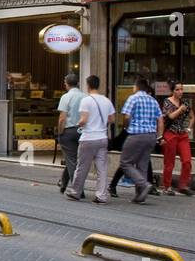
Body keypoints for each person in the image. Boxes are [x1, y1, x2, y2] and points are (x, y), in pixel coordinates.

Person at [66, 76, 116, 204]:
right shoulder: (106, 100)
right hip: (102, 138)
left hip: (88, 138)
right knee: (102, 169)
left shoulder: (86, 100)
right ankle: (102, 196)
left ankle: (76, 192)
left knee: (82, 167)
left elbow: (84, 120)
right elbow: (112, 120)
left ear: (88, 85)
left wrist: (79, 123)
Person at [118, 77, 164, 205]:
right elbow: (160, 120)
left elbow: (126, 116)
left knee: (125, 163)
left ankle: (143, 184)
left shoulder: (133, 98)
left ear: (137, 87)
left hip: (136, 134)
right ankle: (140, 195)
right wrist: (159, 137)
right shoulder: (153, 100)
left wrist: (126, 127)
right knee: (142, 165)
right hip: (151, 136)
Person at [160, 79, 195, 196]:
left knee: (187, 160)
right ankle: (166, 186)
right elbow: (170, 116)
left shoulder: (185, 103)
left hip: (182, 134)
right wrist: (180, 109)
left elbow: (192, 117)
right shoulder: (167, 102)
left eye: (181, 89)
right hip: (170, 133)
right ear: (172, 91)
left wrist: (189, 128)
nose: (180, 92)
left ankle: (183, 185)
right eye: (177, 89)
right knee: (169, 162)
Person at [55, 72, 85, 195]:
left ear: (66, 84)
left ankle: (78, 189)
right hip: (82, 131)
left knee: (71, 160)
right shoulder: (85, 96)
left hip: (69, 131)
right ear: (77, 83)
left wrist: (60, 132)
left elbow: (62, 118)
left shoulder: (65, 97)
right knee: (72, 158)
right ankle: (63, 183)